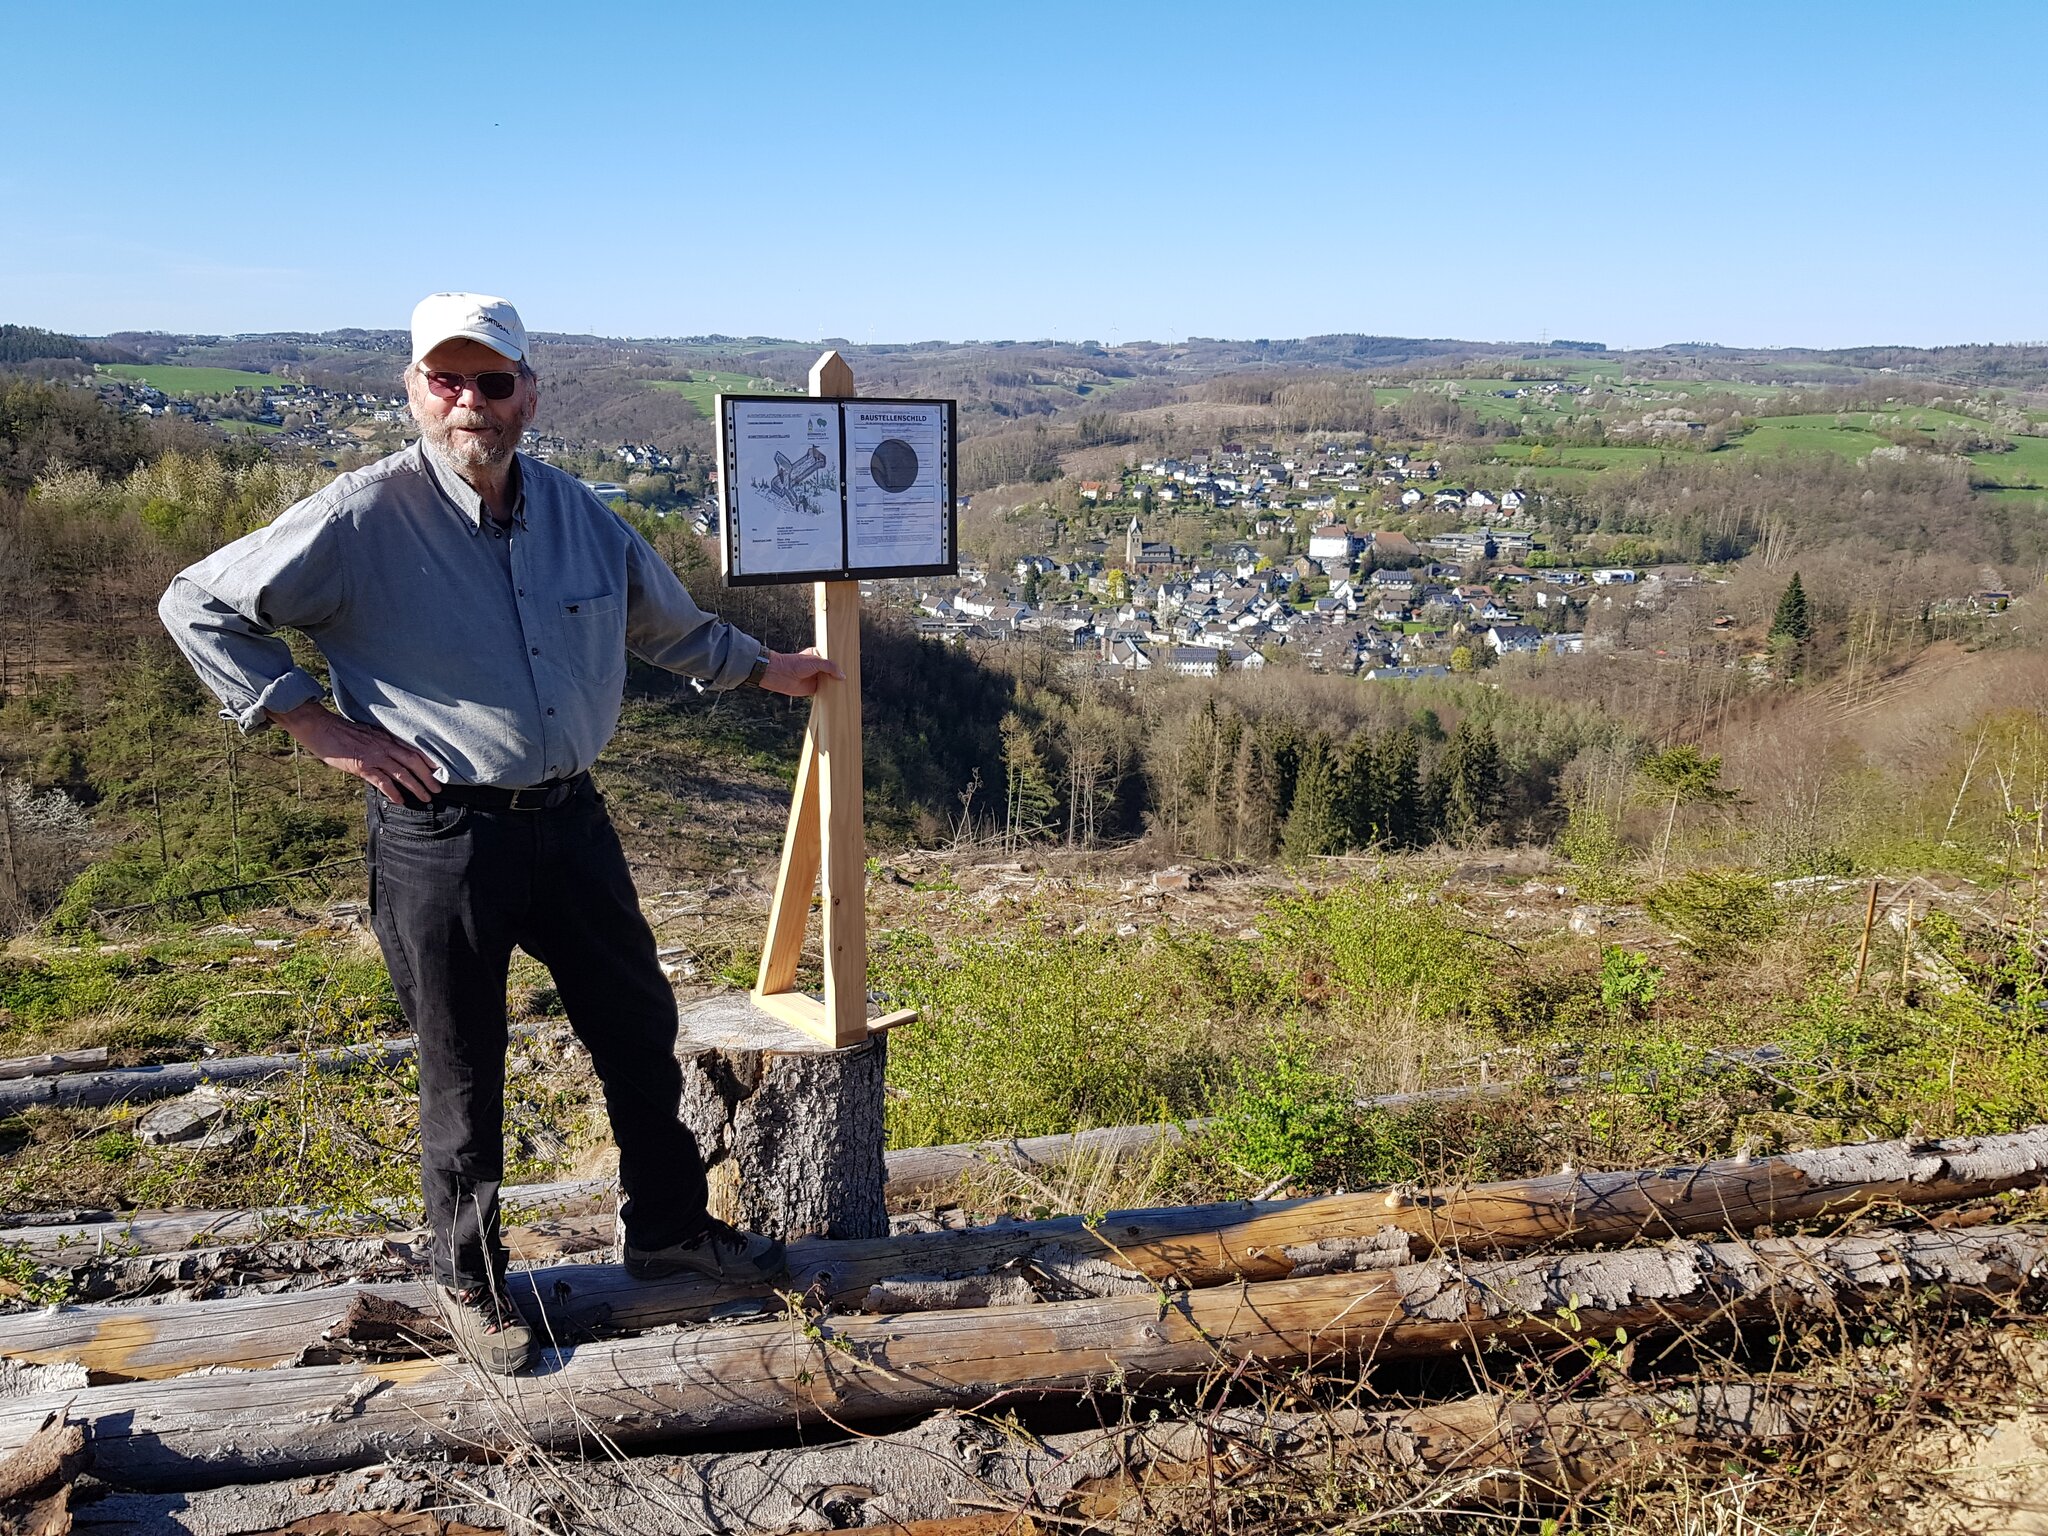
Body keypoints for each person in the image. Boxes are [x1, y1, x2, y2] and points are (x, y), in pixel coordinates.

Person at [159, 292, 838, 1374]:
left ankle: (667, 1233)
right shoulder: (357, 517)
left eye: (492, 381)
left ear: (530, 392)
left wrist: (768, 670)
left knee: (634, 1025)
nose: (468, 400)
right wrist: (314, 723)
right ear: (414, 389)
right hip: (441, 834)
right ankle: (467, 1280)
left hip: (570, 820)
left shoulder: (579, 514)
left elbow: (672, 628)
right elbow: (196, 605)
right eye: (447, 379)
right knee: (462, 1066)